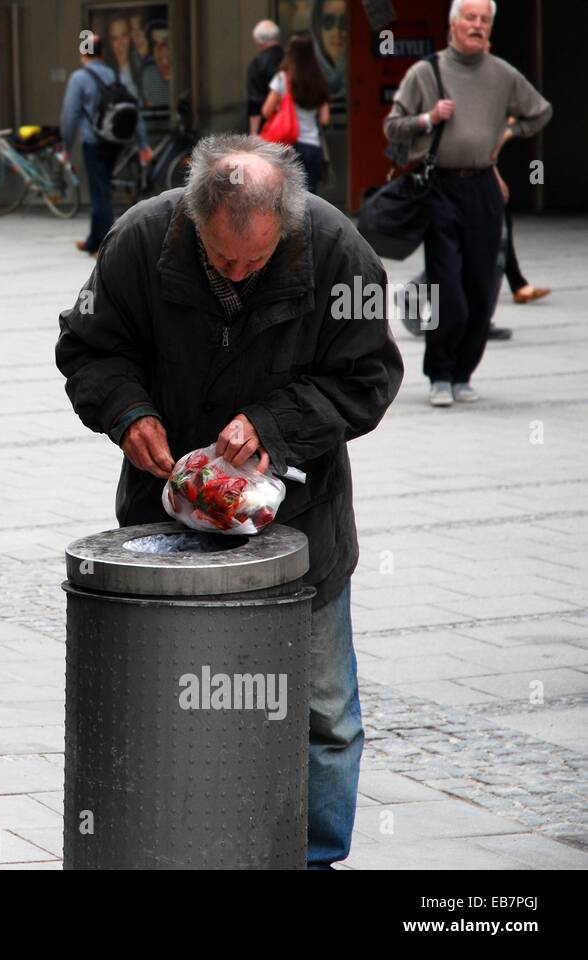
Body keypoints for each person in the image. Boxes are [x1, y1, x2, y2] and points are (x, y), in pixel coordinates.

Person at [56, 135, 404, 869]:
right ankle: (180, 845)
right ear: (194, 218)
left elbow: (367, 377)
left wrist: (273, 427)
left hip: (299, 528)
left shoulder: (339, 252)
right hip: (166, 522)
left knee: (323, 714)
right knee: (169, 701)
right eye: (224, 261)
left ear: (289, 221)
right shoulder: (142, 241)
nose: (239, 274)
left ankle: (314, 858)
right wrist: (128, 413)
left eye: (257, 260)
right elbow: (89, 348)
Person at [384, 0, 551, 407]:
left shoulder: (502, 74)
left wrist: (507, 134)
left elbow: (540, 112)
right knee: (448, 291)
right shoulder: (427, 71)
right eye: (470, 19)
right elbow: (393, 127)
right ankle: (440, 373)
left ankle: (463, 374)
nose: (477, 25)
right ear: (453, 25)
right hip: (440, 187)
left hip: (483, 190)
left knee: (482, 288)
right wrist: (428, 119)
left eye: (484, 20)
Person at [60, 37, 153, 256]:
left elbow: (69, 115)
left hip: (94, 142)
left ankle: (107, 246)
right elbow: (133, 107)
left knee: (99, 193)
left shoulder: (79, 78)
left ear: (83, 54)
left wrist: (65, 146)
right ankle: (93, 240)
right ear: (101, 53)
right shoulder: (115, 75)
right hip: (116, 141)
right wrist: (143, 143)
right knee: (101, 188)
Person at [261, 34, 331, 192]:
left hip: (288, 145)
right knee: (310, 198)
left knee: (288, 198)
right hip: (313, 146)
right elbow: (325, 120)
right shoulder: (319, 79)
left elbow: (266, 111)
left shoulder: (282, 78)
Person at [246, 20, 285, 134]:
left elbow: (255, 103)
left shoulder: (257, 64)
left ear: (258, 41)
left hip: (268, 127)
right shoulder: (290, 60)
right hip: (294, 127)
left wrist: (254, 134)